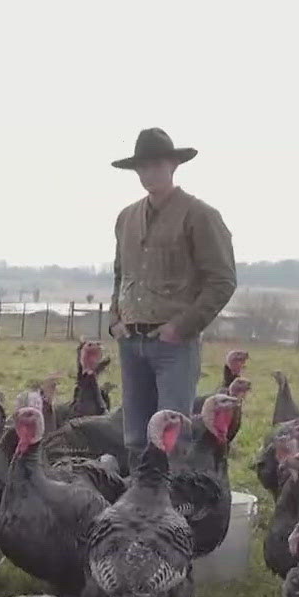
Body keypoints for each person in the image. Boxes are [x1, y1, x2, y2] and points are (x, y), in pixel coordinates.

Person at [108, 128, 237, 466]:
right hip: (131, 341)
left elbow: (222, 280)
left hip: (173, 345)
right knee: (136, 436)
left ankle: (176, 511)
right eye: (142, 167)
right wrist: (115, 321)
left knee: (173, 435)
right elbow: (121, 275)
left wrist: (180, 327)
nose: (148, 173)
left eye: (155, 165)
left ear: (173, 165)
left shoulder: (200, 215)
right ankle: (137, 508)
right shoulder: (126, 218)